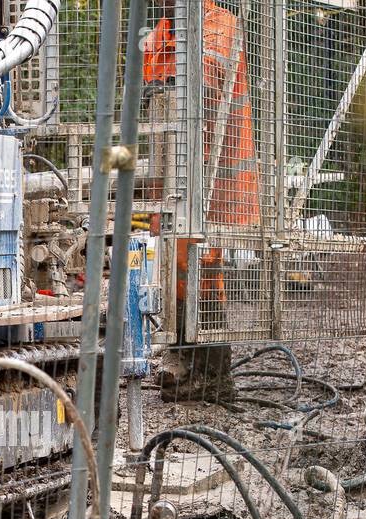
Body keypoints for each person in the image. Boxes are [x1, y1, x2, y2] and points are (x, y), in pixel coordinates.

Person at [146, 1, 260, 401]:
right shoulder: (164, 31)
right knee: (177, 265)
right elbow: (155, 97)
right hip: (180, 173)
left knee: (203, 266)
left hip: (218, 176)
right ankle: (184, 359)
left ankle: (212, 372)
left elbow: (202, 85)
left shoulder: (218, 25)